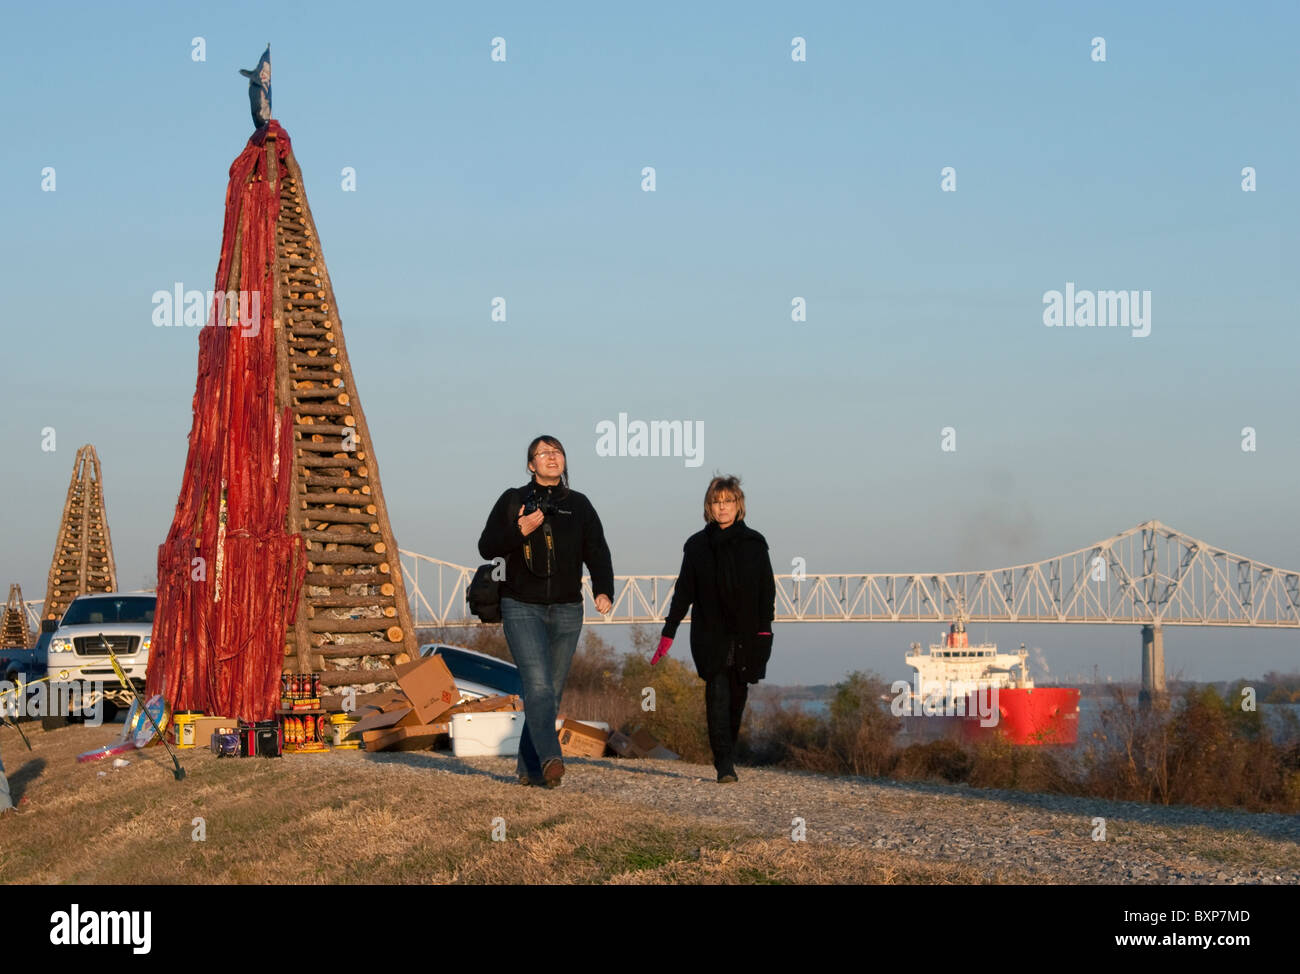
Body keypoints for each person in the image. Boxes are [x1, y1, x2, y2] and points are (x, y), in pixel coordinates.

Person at [478, 435, 614, 788]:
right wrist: (519, 530)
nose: (552, 457)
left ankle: (529, 769)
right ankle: (552, 757)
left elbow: (597, 550)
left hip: (568, 609)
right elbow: (486, 546)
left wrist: (603, 589)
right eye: (543, 453)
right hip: (521, 606)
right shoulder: (513, 500)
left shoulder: (579, 505)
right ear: (531, 464)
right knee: (537, 688)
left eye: (557, 452)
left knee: (550, 693)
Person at [654, 475, 775, 783]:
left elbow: (766, 592)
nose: (723, 508)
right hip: (710, 634)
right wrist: (669, 631)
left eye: (728, 501)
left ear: (739, 505)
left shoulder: (755, 545)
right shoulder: (696, 546)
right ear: (709, 506)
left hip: (748, 635)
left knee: (737, 698)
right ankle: (724, 764)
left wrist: (765, 632)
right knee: (717, 695)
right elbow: (684, 592)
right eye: (717, 502)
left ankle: (728, 753)